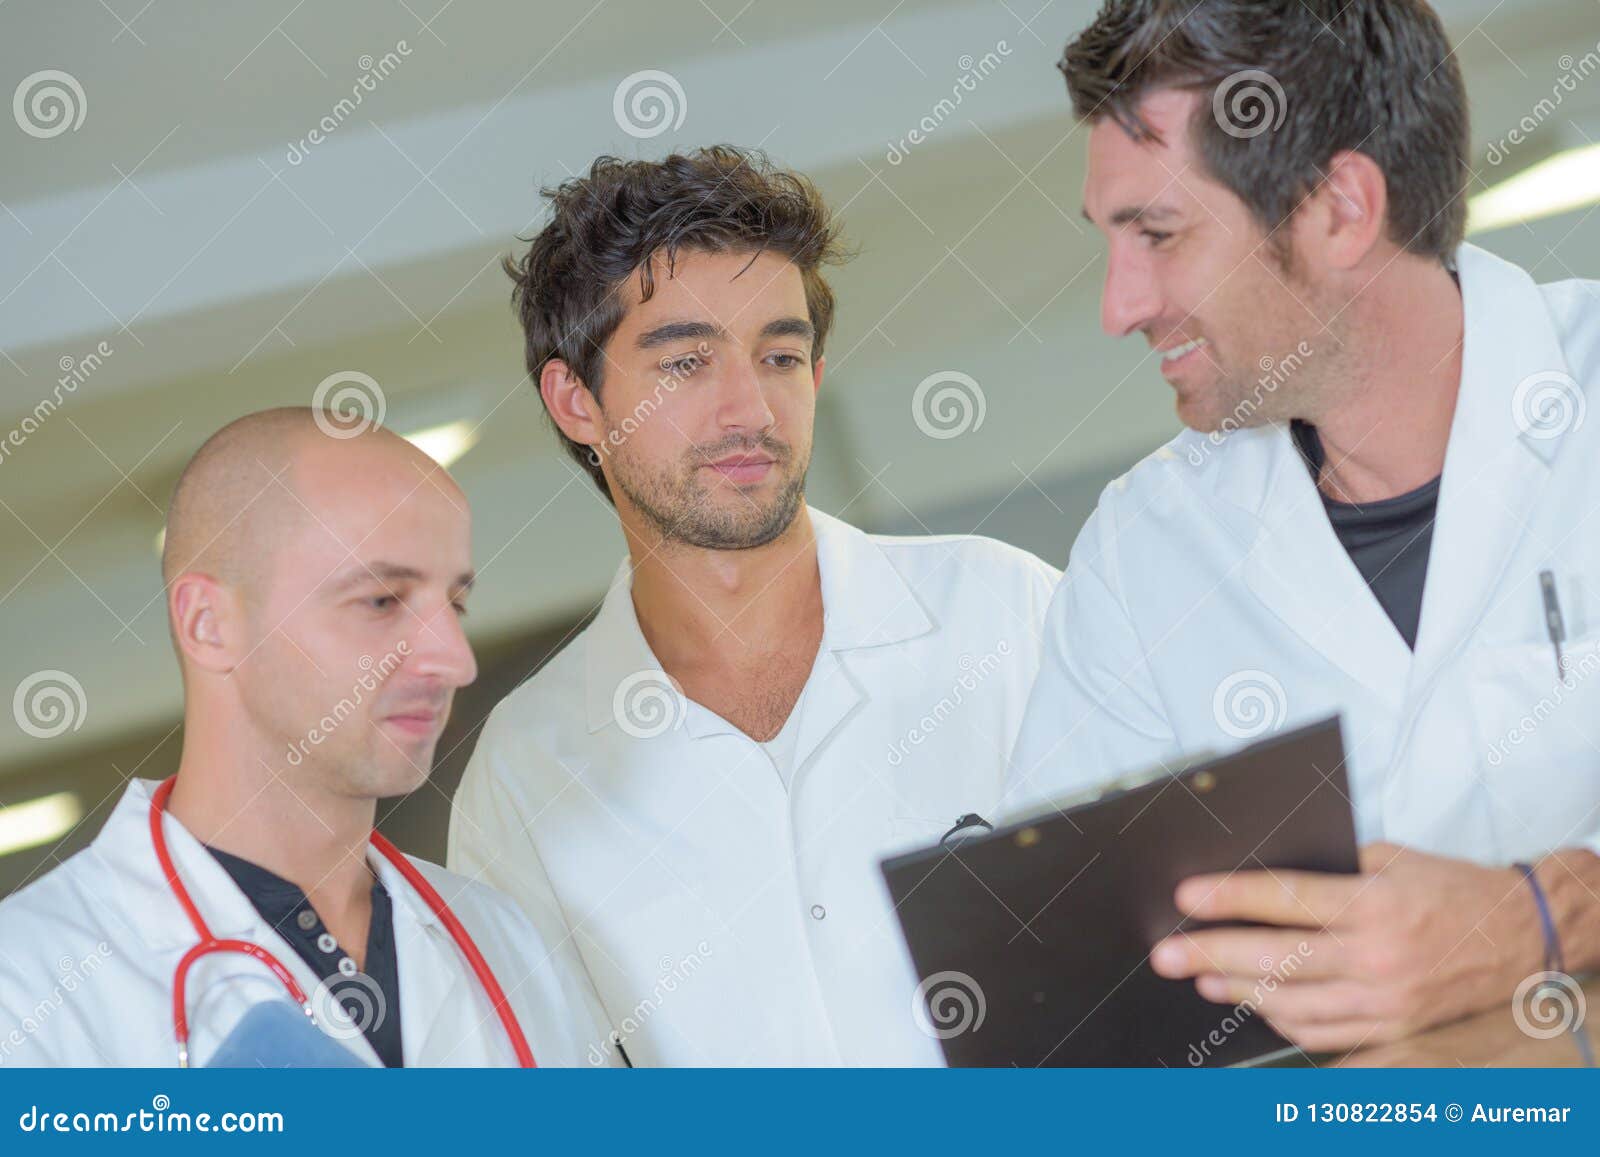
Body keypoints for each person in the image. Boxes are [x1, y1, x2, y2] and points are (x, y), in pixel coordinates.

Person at [1007, 0, 1600, 1052]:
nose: (1118, 305)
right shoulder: (1139, 554)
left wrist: (1541, 912)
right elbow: (1072, 992)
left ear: (1339, 208)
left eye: (1158, 234)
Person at [448, 146, 1060, 1065]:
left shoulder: (1004, 612)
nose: (750, 408)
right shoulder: (527, 774)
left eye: (780, 355)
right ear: (576, 401)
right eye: (686, 362)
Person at [0, 408, 615, 1067]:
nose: (455, 662)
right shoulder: (30, 982)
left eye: (454, 605)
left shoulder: (505, 941)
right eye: (381, 601)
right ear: (209, 624)